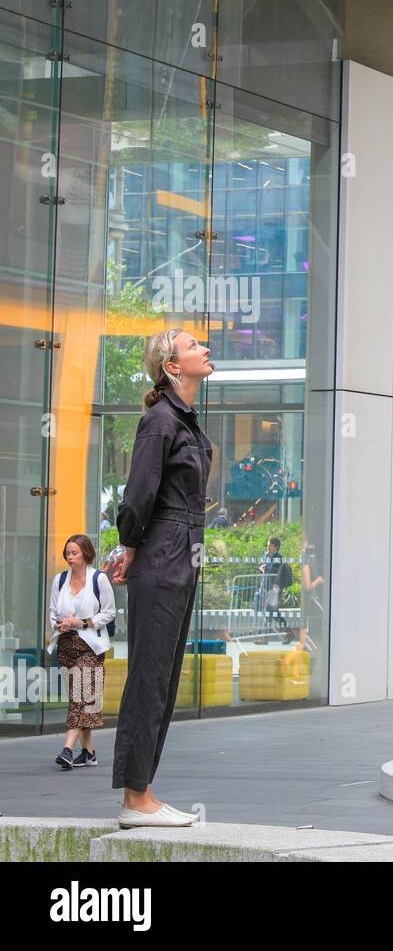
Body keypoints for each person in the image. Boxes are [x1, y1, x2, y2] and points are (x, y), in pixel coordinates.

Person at [108, 329, 213, 828]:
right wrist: (129, 547)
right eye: (195, 346)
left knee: (164, 678)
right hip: (164, 551)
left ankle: (143, 792)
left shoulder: (184, 421)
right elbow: (138, 494)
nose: (205, 348)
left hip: (180, 552)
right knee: (150, 676)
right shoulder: (160, 421)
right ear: (172, 365)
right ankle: (135, 799)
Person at [48, 534, 116, 770]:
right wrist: (60, 624)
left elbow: (109, 613)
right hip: (66, 646)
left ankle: (67, 749)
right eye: (67, 553)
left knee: (80, 697)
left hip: (91, 647)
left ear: (86, 554)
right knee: (82, 699)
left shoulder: (99, 580)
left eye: (74, 552)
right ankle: (89, 753)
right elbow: (52, 612)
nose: (70, 557)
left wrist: (82, 623)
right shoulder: (59, 580)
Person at [256, 537, 288, 638]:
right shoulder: (265, 555)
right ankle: (267, 634)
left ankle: (285, 630)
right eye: (267, 545)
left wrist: (266, 568)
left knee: (272, 609)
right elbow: (261, 566)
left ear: (276, 547)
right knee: (268, 610)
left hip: (274, 588)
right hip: (265, 585)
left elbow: (276, 571)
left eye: (270, 546)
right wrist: (261, 568)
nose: (268, 547)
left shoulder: (278, 558)